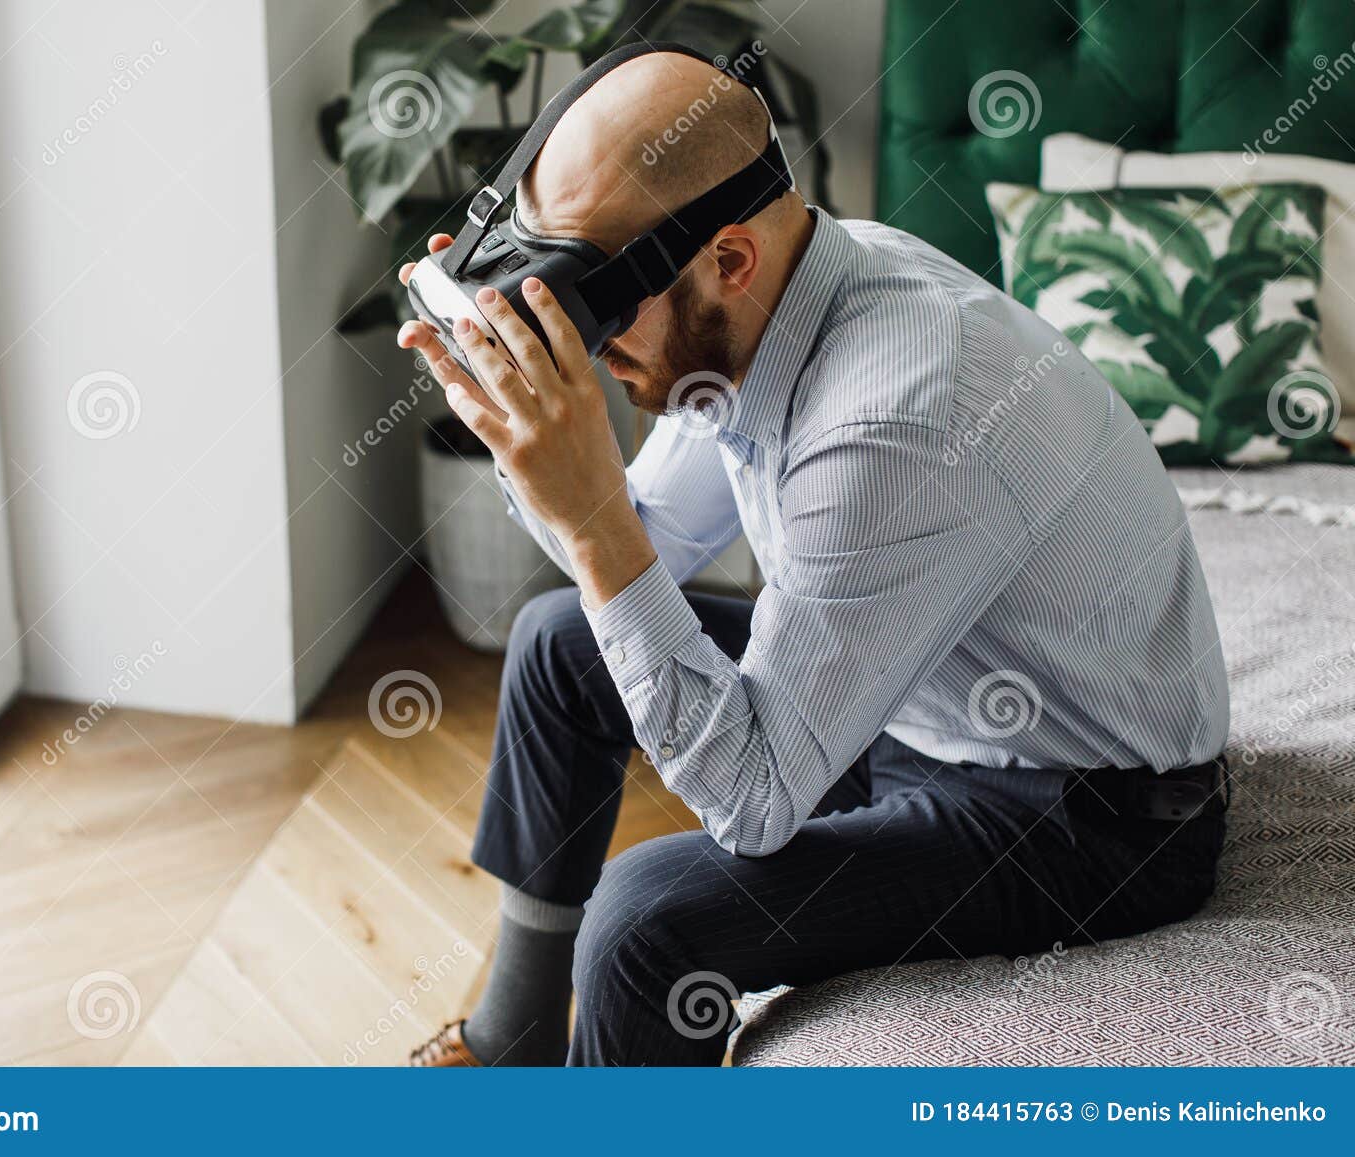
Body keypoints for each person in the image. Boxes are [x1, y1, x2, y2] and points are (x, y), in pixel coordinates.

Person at [397, 49, 1229, 1067]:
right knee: (557, 641)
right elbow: (641, 536)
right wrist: (520, 434)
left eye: (595, 300)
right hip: (923, 702)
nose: (583, 339)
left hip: (1083, 813)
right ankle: (508, 1043)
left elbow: (751, 803)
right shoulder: (779, 291)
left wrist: (589, 521)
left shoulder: (899, 415)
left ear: (728, 258)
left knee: (642, 925)